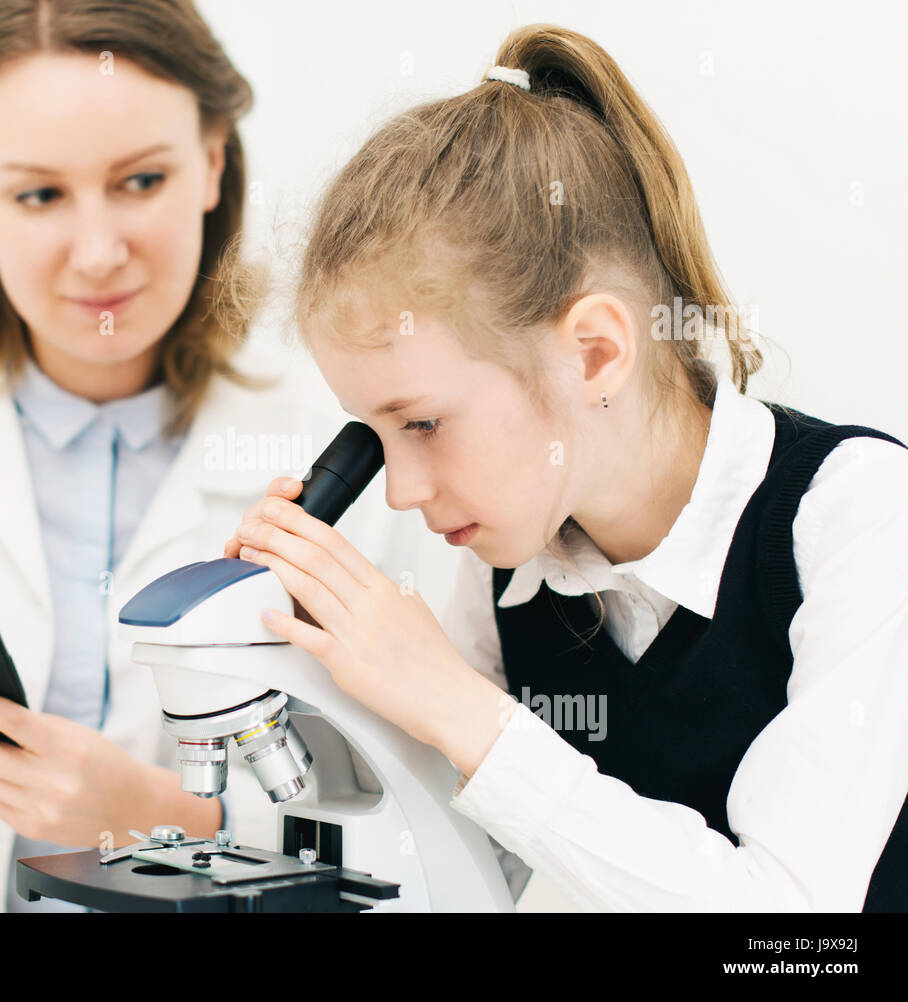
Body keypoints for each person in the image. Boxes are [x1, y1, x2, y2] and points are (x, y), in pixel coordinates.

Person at [0, 0, 462, 912]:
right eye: (38, 194)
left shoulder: (353, 431)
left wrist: (149, 813)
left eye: (139, 181)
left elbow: (415, 826)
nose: (97, 253)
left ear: (211, 160)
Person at [221, 23, 908, 911]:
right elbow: (454, 878)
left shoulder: (860, 519)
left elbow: (789, 929)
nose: (399, 489)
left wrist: (455, 705)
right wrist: (309, 673)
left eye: (423, 422)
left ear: (593, 353)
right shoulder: (511, 570)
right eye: (373, 439)